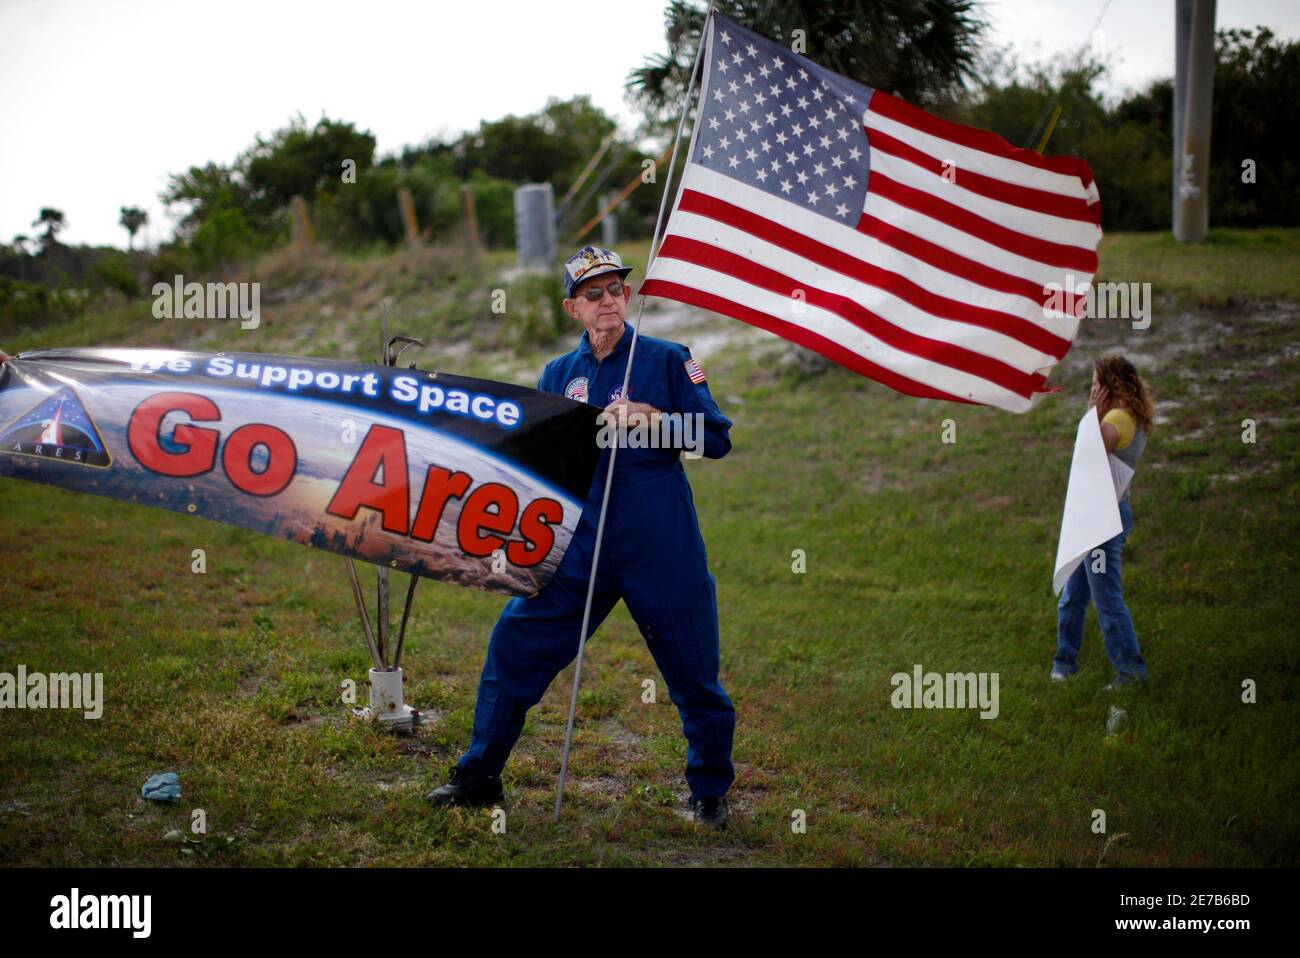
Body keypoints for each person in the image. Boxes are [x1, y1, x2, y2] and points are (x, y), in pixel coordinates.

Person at [426, 245, 737, 827]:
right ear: (573, 308)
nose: (608, 301)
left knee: (694, 671)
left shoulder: (669, 358)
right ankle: (479, 776)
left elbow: (716, 437)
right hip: (579, 542)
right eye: (593, 294)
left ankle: (710, 791)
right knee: (514, 647)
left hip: (658, 538)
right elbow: (540, 464)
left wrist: (658, 420)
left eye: (617, 289)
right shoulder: (557, 375)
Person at [1052, 353, 1153, 688]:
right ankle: (1064, 663)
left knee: (1107, 600)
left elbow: (1089, 453)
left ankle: (1131, 673)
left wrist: (1093, 411)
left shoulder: (1118, 419)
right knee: (1074, 595)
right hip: (1100, 514)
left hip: (1102, 522)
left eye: (1096, 384)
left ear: (1109, 386)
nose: (1092, 389)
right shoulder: (1128, 415)